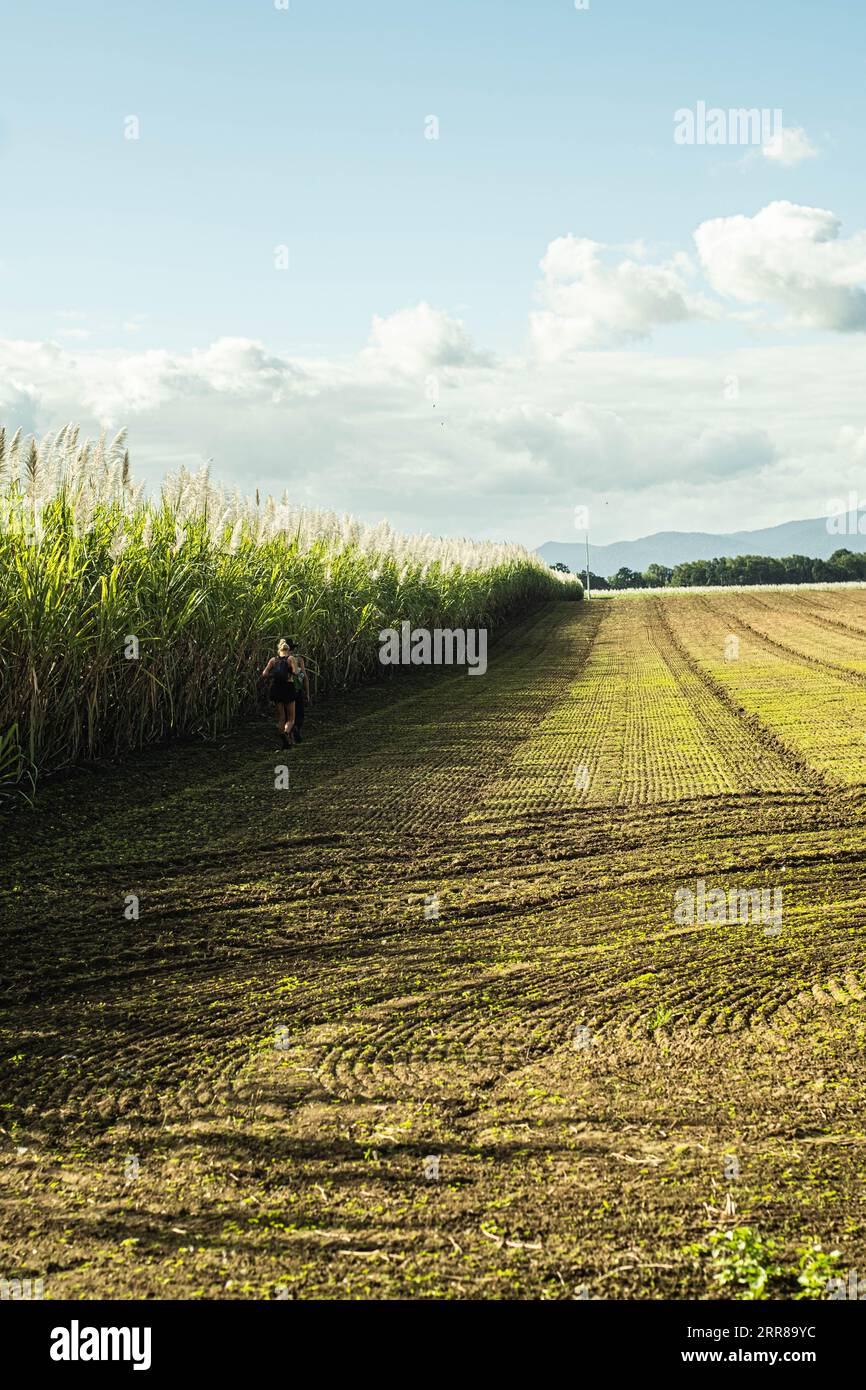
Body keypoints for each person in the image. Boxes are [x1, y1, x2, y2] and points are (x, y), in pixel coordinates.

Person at [261, 639, 297, 748]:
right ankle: (286, 733)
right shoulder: (291, 658)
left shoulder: (273, 660)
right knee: (291, 718)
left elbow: (264, 674)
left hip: (276, 688)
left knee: (281, 717)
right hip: (288, 687)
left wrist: (274, 675)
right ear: (288, 649)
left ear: (279, 649)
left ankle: (283, 738)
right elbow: (295, 672)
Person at [287, 638, 311, 742]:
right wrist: (307, 692)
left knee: (286, 714)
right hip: (297, 689)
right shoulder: (298, 659)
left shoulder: (277, 660)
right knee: (299, 713)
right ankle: (297, 729)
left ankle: (290, 736)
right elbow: (304, 676)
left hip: (283, 690)